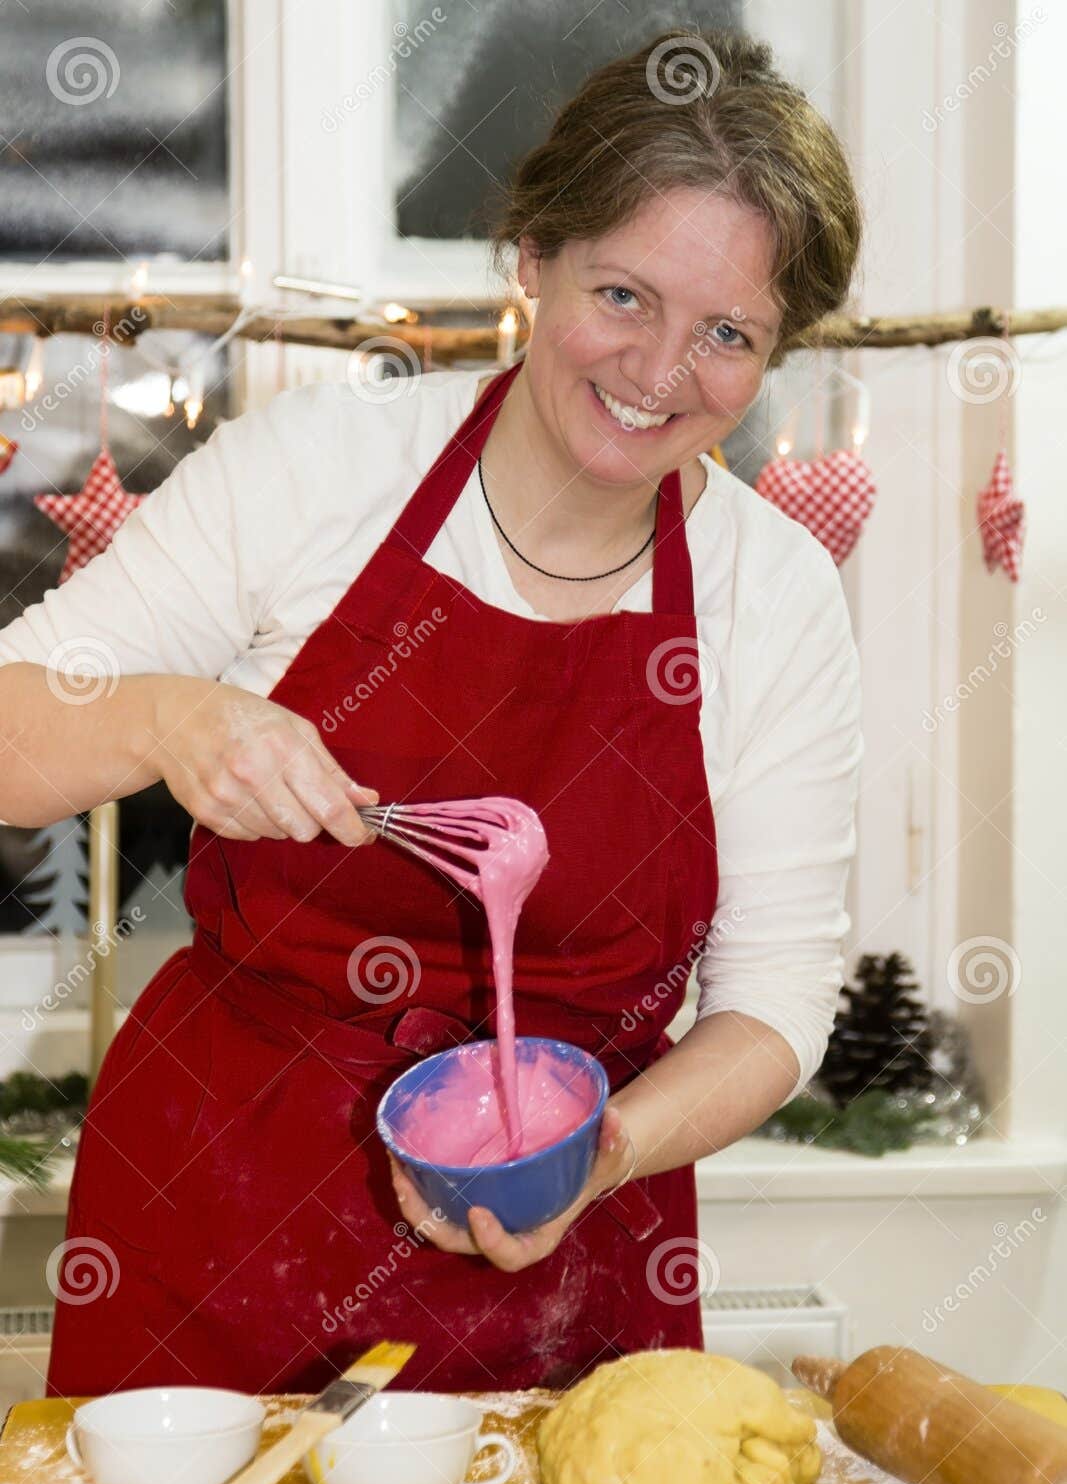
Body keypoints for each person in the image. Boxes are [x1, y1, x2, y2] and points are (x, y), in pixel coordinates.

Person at [0, 29, 863, 1397]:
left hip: (567, 1249)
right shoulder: (320, 470)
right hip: (222, 1208)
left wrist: (599, 1151)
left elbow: (774, 1004)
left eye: (728, 334)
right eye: (623, 293)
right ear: (530, 255)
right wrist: (172, 720)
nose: (658, 368)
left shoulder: (776, 594)